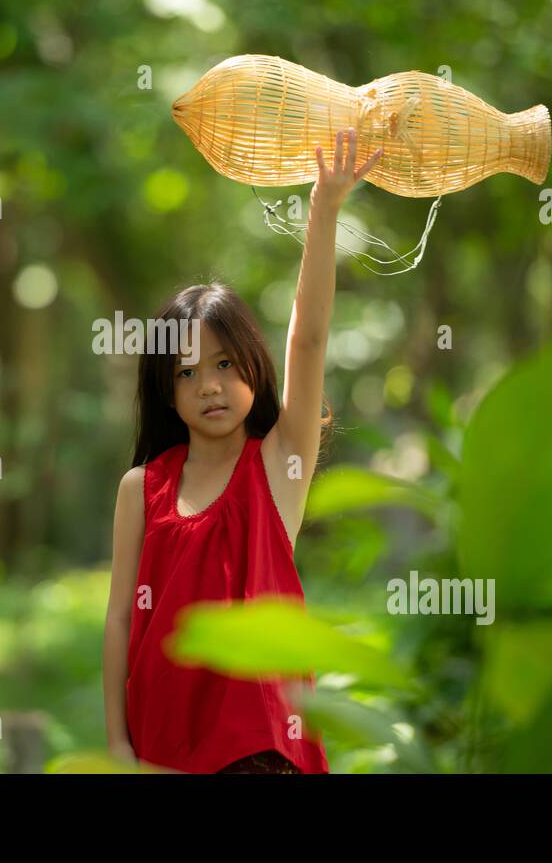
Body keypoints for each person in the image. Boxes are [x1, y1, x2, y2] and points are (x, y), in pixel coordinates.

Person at [102, 129, 384, 774]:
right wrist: (119, 748)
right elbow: (120, 618)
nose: (209, 386)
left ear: (252, 366)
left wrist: (324, 210)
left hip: (259, 750)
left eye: (225, 363)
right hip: (159, 749)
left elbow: (308, 340)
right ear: (164, 390)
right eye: (186, 372)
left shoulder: (279, 462)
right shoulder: (140, 487)